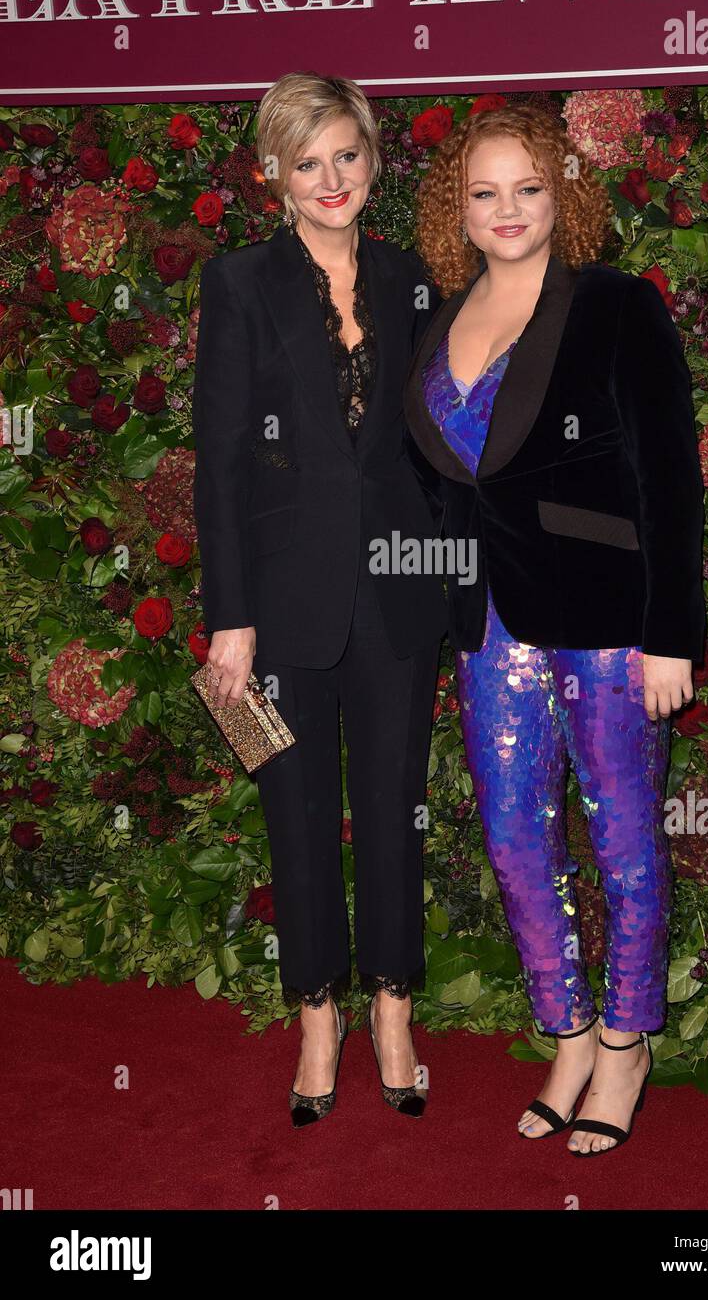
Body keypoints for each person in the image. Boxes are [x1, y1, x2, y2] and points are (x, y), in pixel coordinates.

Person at [403, 103, 706, 1155]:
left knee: (622, 841)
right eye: (484, 192)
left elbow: (670, 476)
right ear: (459, 207)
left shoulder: (617, 306)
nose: (508, 209)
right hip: (491, 625)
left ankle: (627, 1043)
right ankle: (566, 1034)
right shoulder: (438, 323)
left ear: (561, 190)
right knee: (515, 844)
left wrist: (673, 631)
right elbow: (446, 497)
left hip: (610, 621)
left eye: (527, 186)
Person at [192, 72, 446, 1126]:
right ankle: (316, 1014)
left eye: (347, 155)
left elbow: (439, 444)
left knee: (393, 806)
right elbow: (219, 465)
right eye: (308, 161)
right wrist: (230, 618)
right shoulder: (240, 282)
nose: (330, 178)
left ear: (372, 161)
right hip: (279, 605)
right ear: (275, 175)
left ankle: (392, 1006)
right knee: (294, 814)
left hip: (397, 594)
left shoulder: (415, 279)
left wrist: (456, 581)